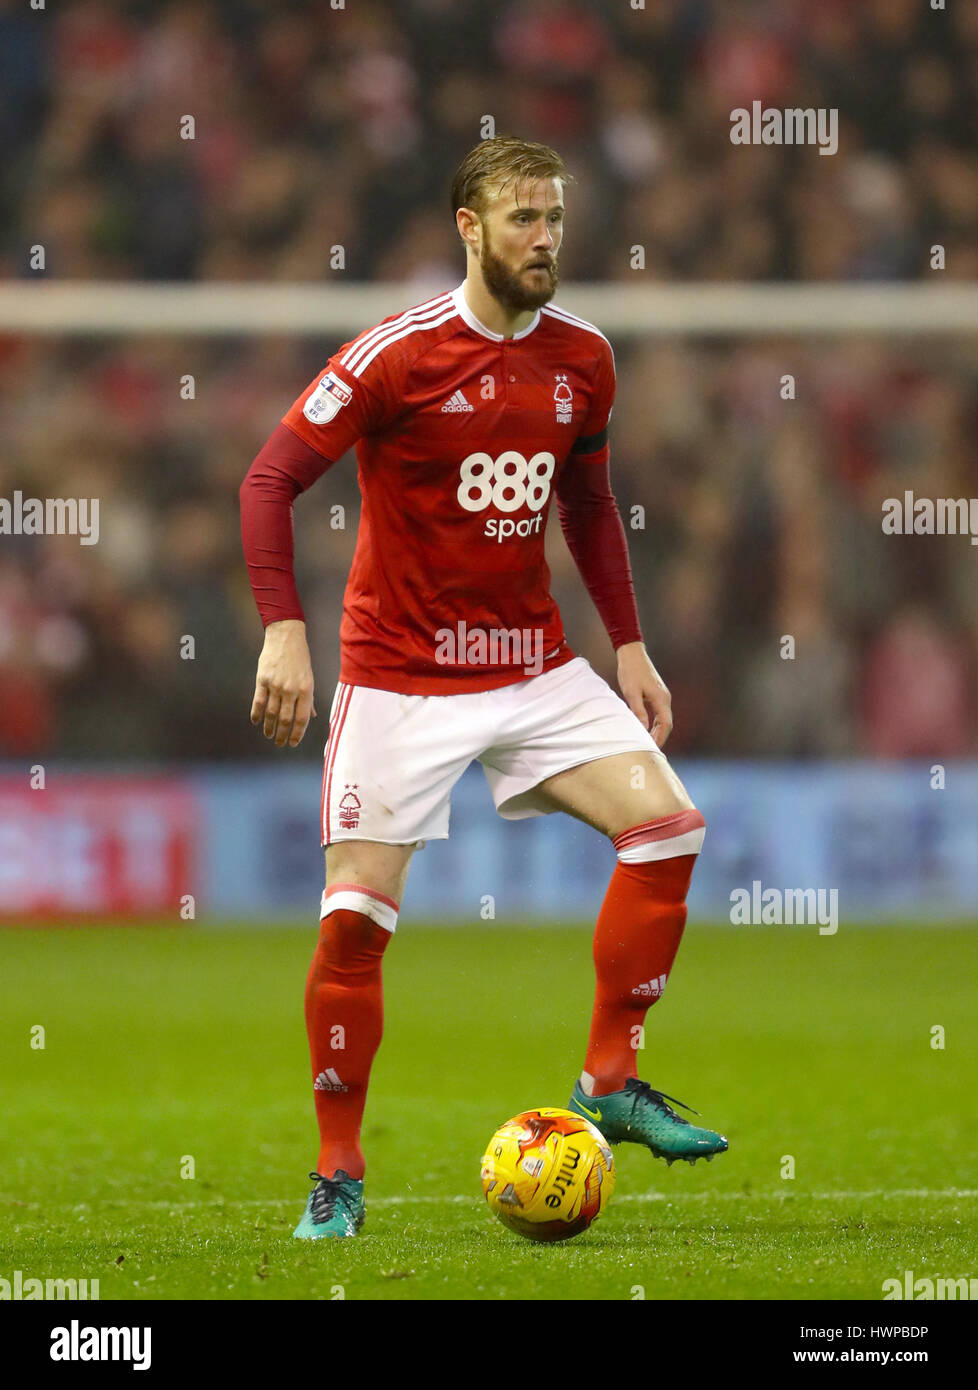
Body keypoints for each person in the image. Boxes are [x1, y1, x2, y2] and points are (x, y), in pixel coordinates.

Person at [239, 135, 727, 1240]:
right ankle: (338, 1168)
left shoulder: (585, 358)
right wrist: (282, 628)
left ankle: (609, 1078)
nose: (545, 237)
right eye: (522, 220)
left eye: (554, 217)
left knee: (668, 829)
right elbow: (269, 480)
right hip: (400, 676)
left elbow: (591, 508)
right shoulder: (395, 356)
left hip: (531, 663)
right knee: (356, 922)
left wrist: (632, 645)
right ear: (469, 227)